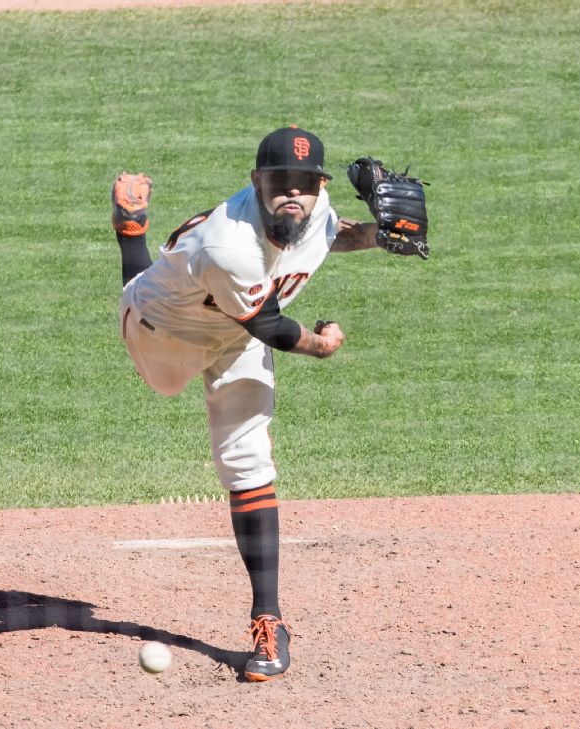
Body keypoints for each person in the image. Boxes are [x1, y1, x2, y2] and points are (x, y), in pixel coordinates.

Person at [110, 126, 386, 682]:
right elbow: (273, 328)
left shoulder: (316, 206)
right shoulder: (230, 245)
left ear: (320, 186)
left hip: (238, 340)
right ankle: (132, 234)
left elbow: (331, 232)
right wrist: (322, 345)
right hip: (163, 329)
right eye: (280, 180)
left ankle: (269, 620)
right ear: (256, 182)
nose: (294, 193)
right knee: (160, 369)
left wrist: (384, 235)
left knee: (248, 462)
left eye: (306, 184)